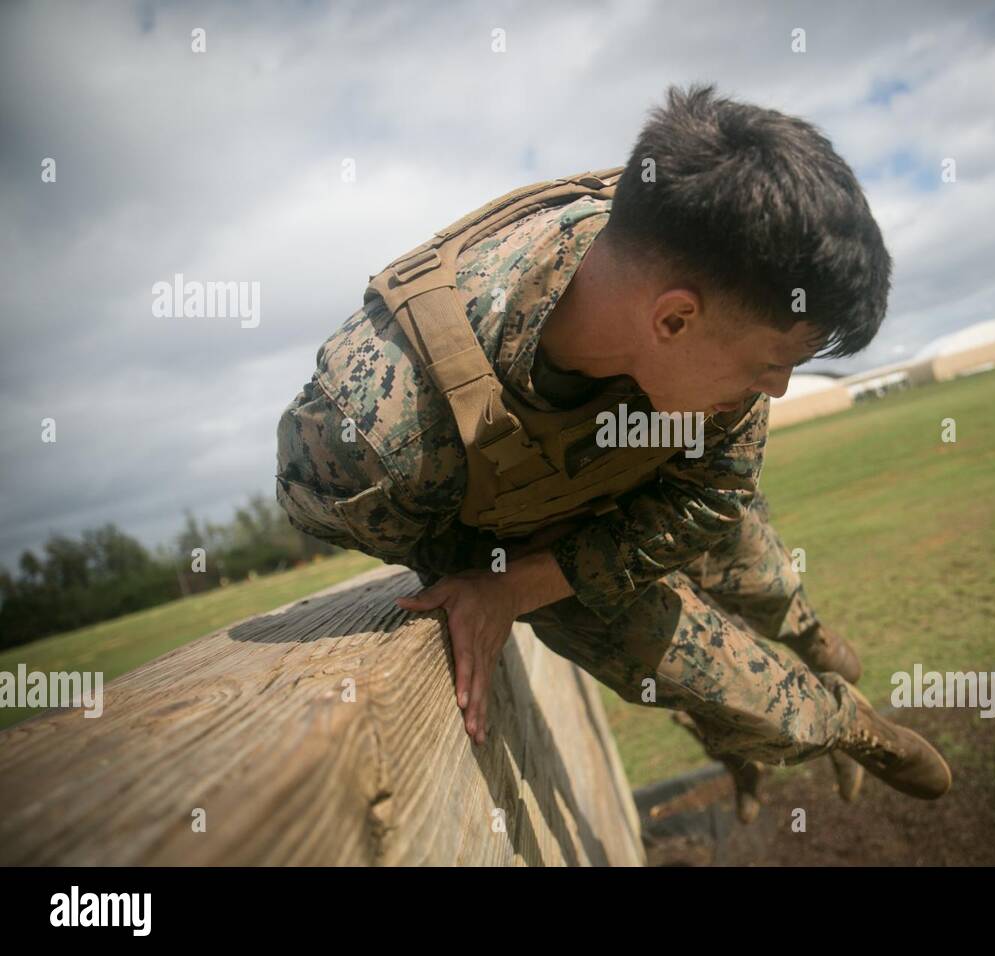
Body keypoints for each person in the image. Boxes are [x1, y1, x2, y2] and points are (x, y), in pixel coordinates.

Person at [275, 83, 951, 823]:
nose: (780, 390)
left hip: (643, 458)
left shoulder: (705, 263)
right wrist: (507, 586)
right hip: (515, 522)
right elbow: (425, 547)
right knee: (748, 698)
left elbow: (716, 498)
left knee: (758, 571)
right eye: (769, 366)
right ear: (674, 319)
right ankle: (842, 724)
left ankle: (816, 641)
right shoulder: (376, 430)